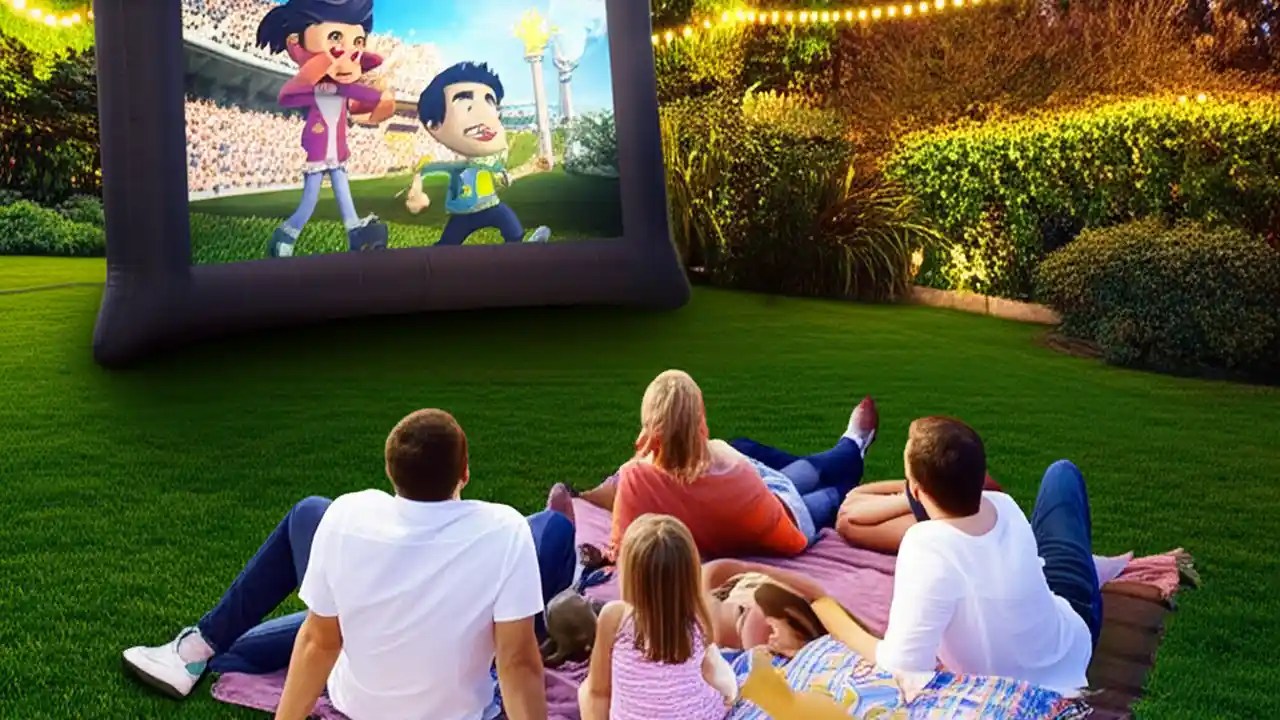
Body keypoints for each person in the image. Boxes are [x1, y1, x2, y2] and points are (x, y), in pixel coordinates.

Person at [120, 409, 576, 720]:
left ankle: (203, 647)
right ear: (466, 474)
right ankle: (213, 649)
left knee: (310, 515)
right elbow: (517, 661)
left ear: (390, 471)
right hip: (456, 703)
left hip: (357, 692)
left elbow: (319, 641)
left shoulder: (349, 515)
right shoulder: (505, 529)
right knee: (553, 529)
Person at [820, 416, 1101, 699]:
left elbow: (900, 665)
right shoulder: (1004, 506)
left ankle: (1087, 568)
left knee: (1060, 478)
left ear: (916, 490)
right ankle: (1087, 567)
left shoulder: (926, 546)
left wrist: (822, 605)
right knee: (1061, 474)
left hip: (1059, 649)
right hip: (1068, 637)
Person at [582, 370, 877, 561]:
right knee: (835, 493)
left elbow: (618, 547)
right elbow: (790, 532)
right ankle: (852, 448)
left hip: (758, 507)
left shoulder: (635, 477)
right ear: (701, 420)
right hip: (781, 524)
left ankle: (851, 446)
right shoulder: (733, 470)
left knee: (753, 454)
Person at [254, 0, 396, 257]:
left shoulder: (342, 88)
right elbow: (287, 95)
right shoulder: (312, 87)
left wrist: (384, 96)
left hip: (338, 154)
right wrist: (315, 68)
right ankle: (285, 235)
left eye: (356, 45)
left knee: (344, 196)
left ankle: (355, 234)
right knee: (309, 202)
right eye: (334, 39)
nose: (348, 53)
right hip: (319, 155)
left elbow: (363, 94)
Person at [579, 514, 737, 720]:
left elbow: (598, 691)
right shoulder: (699, 617)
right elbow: (711, 672)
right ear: (690, 574)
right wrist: (729, 695)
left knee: (585, 689)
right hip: (703, 714)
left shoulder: (614, 617)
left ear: (630, 577)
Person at [404, 61, 551, 245]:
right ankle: (432, 262)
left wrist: (532, 167)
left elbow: (506, 177)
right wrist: (416, 189)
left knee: (511, 226)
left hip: (490, 206)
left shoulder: (491, 162)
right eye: (467, 107)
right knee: (448, 244)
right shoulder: (458, 166)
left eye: (490, 105)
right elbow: (427, 169)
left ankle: (521, 250)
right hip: (463, 214)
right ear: (434, 125)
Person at [835, 474, 1004, 555]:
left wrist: (910, 497)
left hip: (942, 508)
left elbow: (849, 519)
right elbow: (853, 498)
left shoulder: (938, 532)